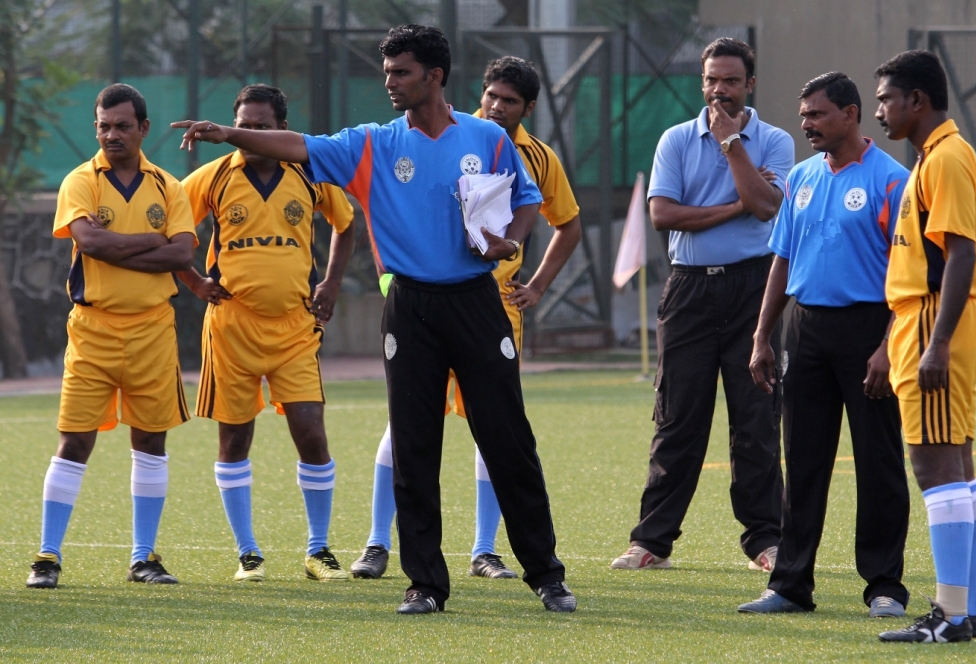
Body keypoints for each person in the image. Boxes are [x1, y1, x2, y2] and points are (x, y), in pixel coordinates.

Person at [173, 24, 575, 614]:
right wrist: (226, 134)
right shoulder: (375, 143)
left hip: (475, 304)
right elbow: (300, 145)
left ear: (434, 77)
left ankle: (546, 574)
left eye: (401, 72)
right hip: (410, 307)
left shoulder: (488, 137)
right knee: (414, 445)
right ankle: (426, 585)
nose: (389, 82)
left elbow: (527, 202)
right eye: (386, 72)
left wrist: (510, 245)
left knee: (507, 438)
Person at [349, 55, 582, 582]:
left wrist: (536, 283)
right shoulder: (431, 136)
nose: (498, 108)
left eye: (511, 101)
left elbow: (564, 222)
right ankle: (379, 544)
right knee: (407, 434)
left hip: (490, 306)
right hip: (416, 304)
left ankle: (488, 549)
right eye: (492, 96)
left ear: (529, 108)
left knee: (497, 433)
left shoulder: (529, 155)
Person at [611, 38, 793, 573]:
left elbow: (767, 208)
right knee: (678, 417)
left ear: (750, 85)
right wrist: (737, 203)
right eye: (712, 80)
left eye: (731, 81)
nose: (719, 90)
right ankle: (652, 542)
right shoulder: (674, 139)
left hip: (755, 290)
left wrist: (733, 146)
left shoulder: (776, 141)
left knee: (756, 418)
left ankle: (766, 539)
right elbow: (663, 215)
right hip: (688, 289)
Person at [736, 72, 910, 617]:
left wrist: (887, 346)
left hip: (869, 330)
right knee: (804, 458)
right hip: (804, 330)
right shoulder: (804, 177)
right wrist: (763, 335)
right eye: (804, 113)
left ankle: (884, 585)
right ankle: (791, 584)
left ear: (851, 114)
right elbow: (782, 259)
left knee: (878, 460)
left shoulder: (892, 180)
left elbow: (912, 274)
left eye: (817, 114)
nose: (806, 124)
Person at [177, 84, 355, 583]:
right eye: (243, 125)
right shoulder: (212, 177)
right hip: (231, 329)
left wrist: (332, 282)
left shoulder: (310, 172)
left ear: (282, 128)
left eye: (260, 126)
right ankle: (248, 553)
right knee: (234, 439)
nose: (250, 134)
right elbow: (172, 234)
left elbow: (346, 223)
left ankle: (319, 550)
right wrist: (193, 280)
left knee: (311, 434)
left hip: (295, 329)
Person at [26, 84, 196, 589]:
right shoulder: (80, 181)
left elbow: (183, 254)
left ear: (144, 129)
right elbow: (90, 242)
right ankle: (47, 557)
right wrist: (151, 241)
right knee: (74, 441)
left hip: (152, 329)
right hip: (92, 330)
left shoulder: (169, 186)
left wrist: (129, 248)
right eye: (104, 125)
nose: (112, 134)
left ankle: (144, 557)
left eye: (123, 125)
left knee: (150, 441)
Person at [873, 50, 976, 644]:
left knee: (934, 463)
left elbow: (961, 253)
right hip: (936, 319)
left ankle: (949, 615)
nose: (879, 111)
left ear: (917, 100)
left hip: (933, 319)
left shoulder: (944, 158)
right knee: (959, 466)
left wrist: (936, 343)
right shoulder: (938, 156)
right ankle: (971, 608)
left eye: (886, 99)